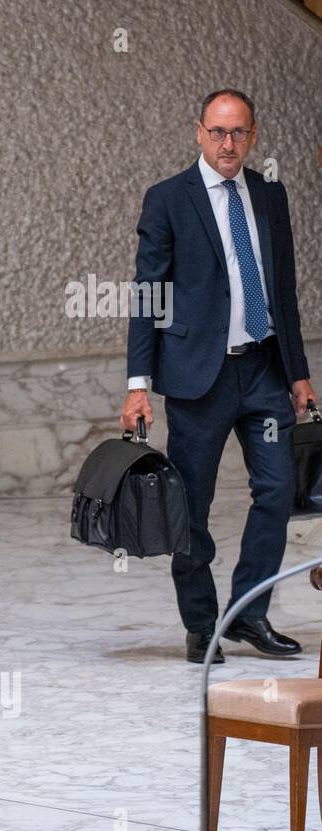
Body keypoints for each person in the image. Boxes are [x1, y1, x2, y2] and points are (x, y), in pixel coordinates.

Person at [121, 89, 314, 665]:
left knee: (279, 491)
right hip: (196, 378)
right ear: (199, 134)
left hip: (262, 371)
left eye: (239, 133)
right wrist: (138, 382)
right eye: (218, 133)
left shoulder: (270, 197)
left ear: (252, 136)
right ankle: (202, 624)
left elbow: (285, 293)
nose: (228, 144)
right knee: (192, 505)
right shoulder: (167, 200)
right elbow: (149, 294)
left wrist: (299, 374)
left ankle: (248, 614)